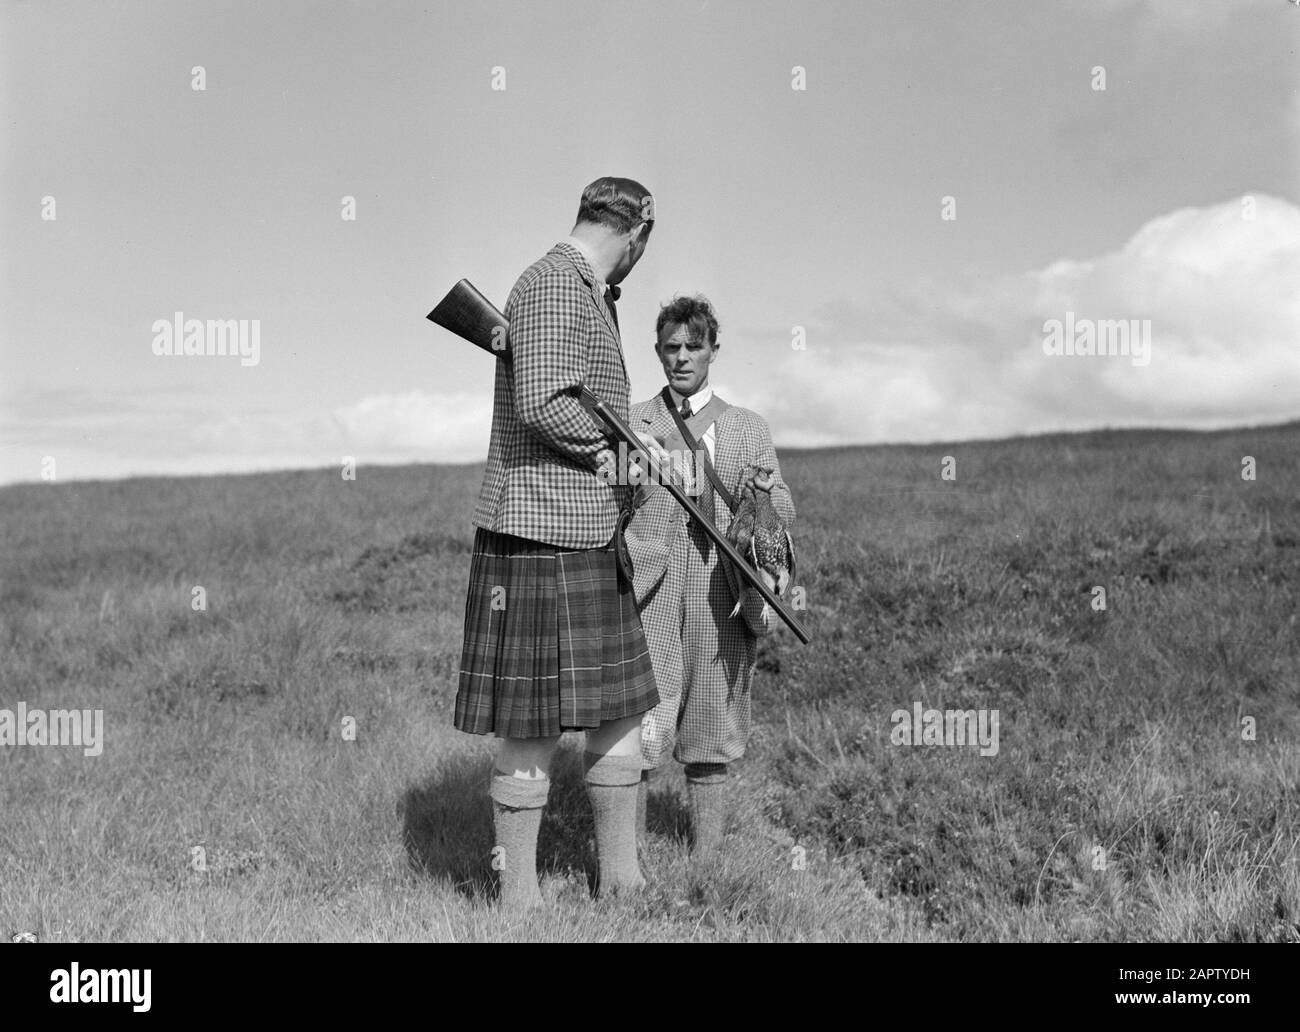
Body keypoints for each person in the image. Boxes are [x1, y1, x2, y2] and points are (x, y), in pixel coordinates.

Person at [454, 177, 661, 906]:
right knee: (533, 721)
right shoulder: (551, 284)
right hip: (540, 529)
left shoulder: (583, 289)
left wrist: (628, 452)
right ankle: (519, 900)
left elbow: (563, 395)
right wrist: (618, 443)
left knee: (618, 710)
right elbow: (540, 399)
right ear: (639, 231)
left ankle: (622, 882)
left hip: (585, 527)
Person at [624, 294, 796, 858]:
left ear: (713, 350)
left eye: (693, 346)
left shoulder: (746, 426)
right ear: (657, 351)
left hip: (721, 584)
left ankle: (706, 863)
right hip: (651, 581)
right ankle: (630, 862)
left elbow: (785, 507)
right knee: (642, 720)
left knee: (710, 721)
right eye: (670, 347)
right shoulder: (635, 421)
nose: (681, 357)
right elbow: (614, 498)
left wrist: (763, 498)